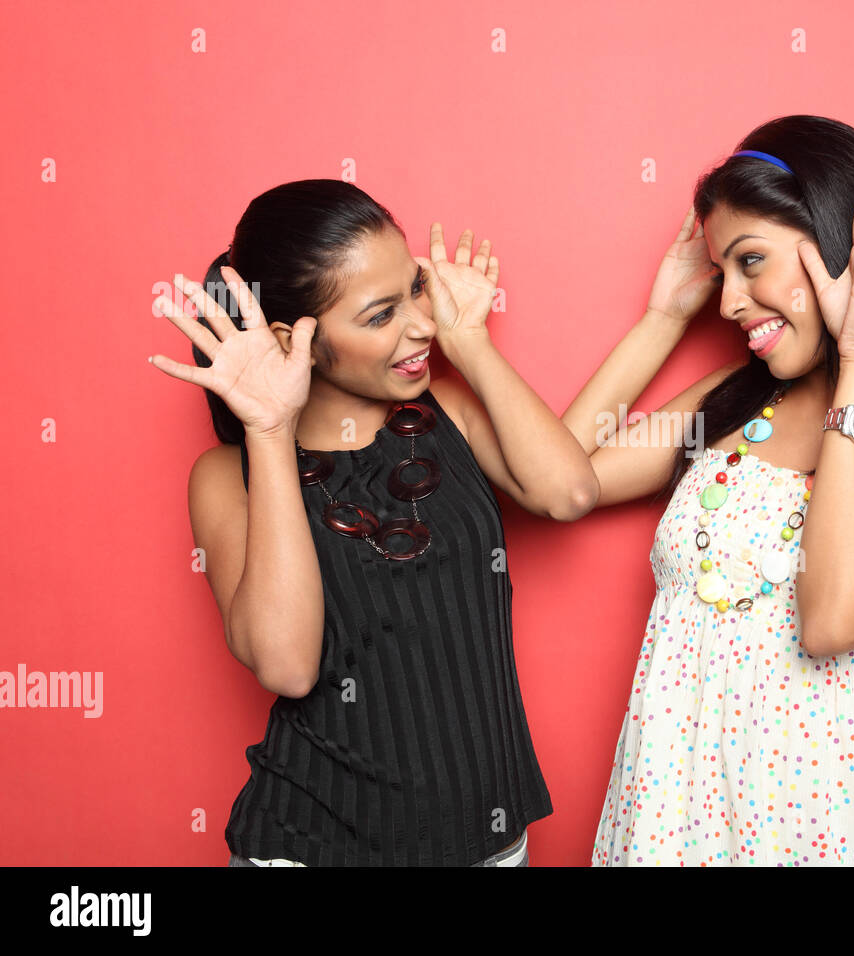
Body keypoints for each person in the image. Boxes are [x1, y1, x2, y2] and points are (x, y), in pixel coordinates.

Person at [563, 115, 854, 865]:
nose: (730, 303)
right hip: (673, 810)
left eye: (750, 262)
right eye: (722, 274)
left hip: (831, 821)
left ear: (841, 247)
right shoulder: (736, 405)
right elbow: (561, 480)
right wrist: (659, 320)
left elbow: (832, 620)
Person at [148, 179, 599, 866]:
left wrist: (471, 342)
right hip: (313, 846)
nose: (421, 324)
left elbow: (568, 493)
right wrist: (269, 430)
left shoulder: (450, 410)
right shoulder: (227, 476)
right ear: (290, 338)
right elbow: (287, 666)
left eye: (415, 288)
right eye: (380, 314)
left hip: (490, 839)